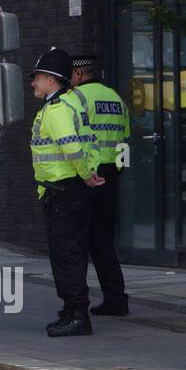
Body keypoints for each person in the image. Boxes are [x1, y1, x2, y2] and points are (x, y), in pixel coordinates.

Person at [30, 47, 104, 337]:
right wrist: (91, 172)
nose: (33, 83)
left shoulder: (57, 110)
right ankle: (73, 309)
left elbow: (72, 148)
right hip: (71, 190)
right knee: (72, 252)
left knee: (66, 255)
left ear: (51, 80)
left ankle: (77, 314)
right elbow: (90, 143)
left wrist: (86, 175)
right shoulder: (73, 102)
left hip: (63, 192)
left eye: (36, 77)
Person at [71, 55, 130, 316]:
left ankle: (76, 304)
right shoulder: (116, 98)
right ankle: (116, 299)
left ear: (80, 75)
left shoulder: (77, 98)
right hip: (112, 176)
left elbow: (73, 138)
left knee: (78, 242)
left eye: (70, 75)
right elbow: (126, 137)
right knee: (103, 243)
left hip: (87, 176)